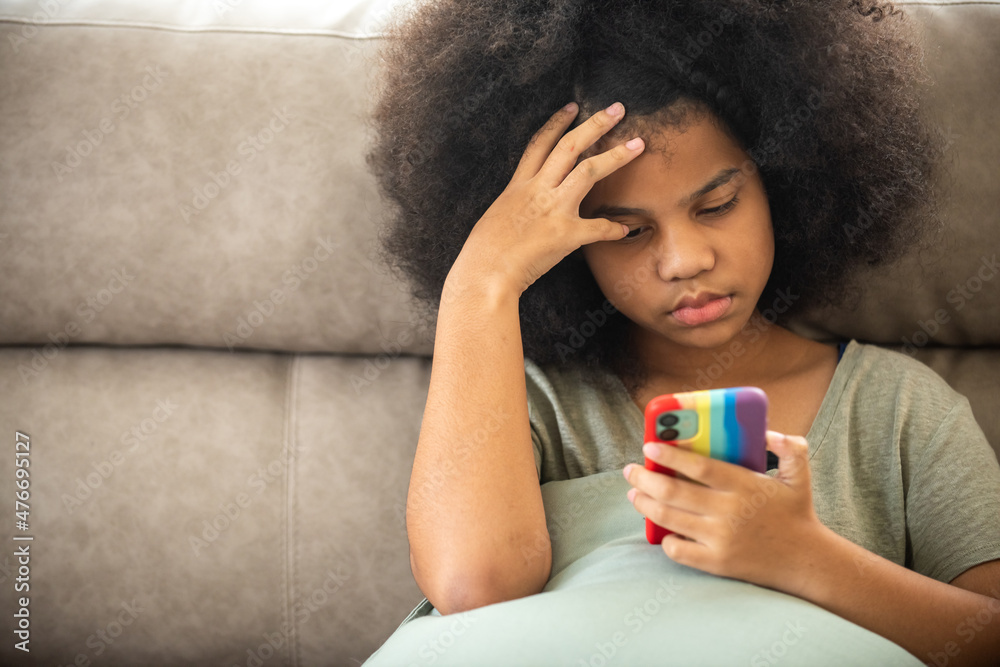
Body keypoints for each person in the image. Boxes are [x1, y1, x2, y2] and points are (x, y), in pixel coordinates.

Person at [367, 0, 1000, 663]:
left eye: (718, 205)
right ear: (567, 244)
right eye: (630, 230)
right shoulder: (535, 403)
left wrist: (803, 558)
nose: (685, 260)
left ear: (785, 184)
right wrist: (482, 279)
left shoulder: (901, 410)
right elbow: (475, 589)